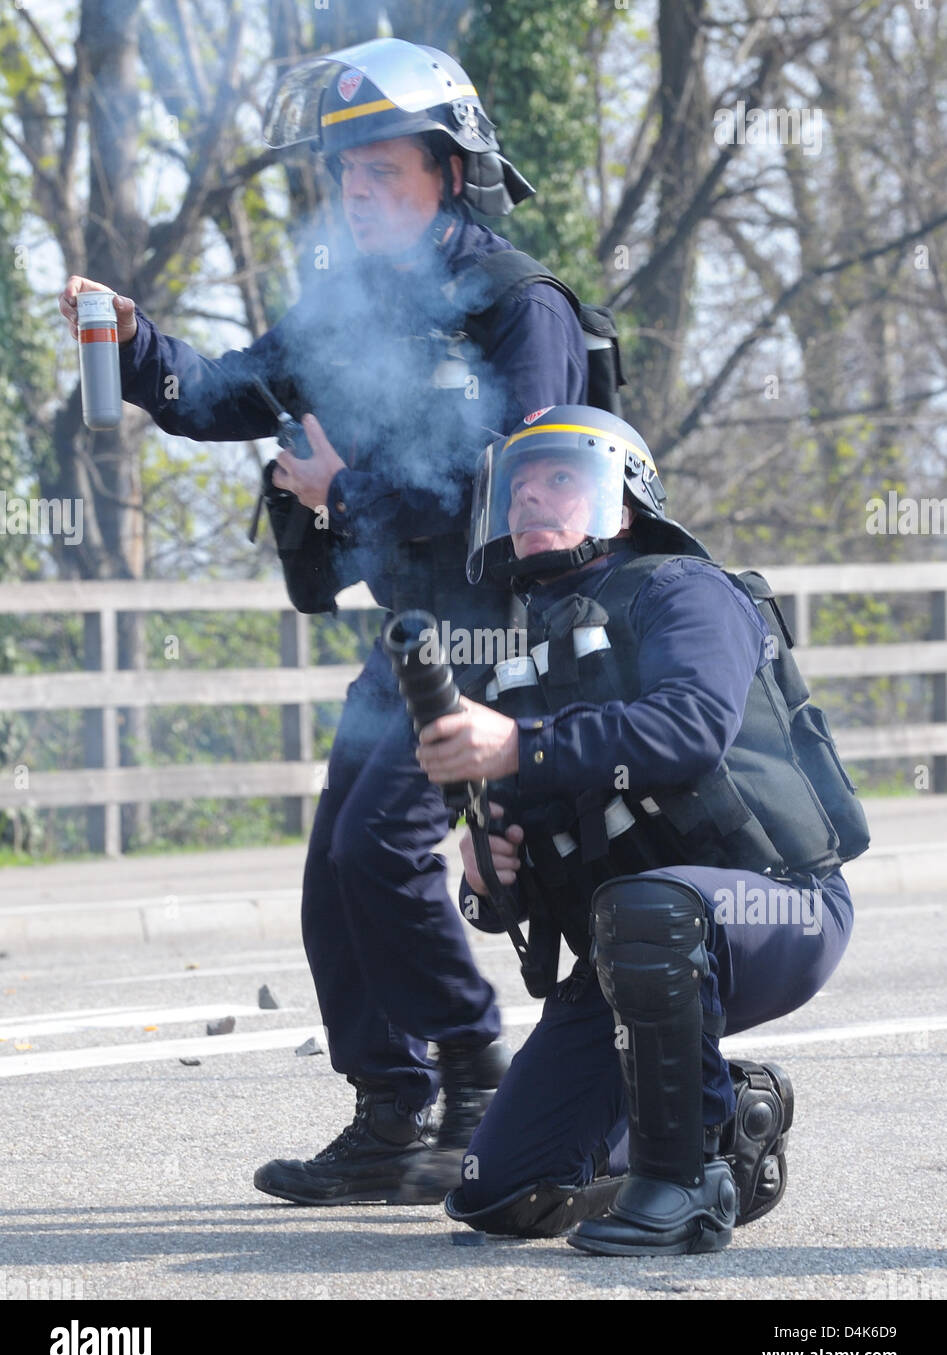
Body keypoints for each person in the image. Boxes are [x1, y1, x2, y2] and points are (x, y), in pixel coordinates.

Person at [58, 38, 588, 1205]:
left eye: (383, 176)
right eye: (344, 180)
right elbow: (219, 393)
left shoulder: (518, 307)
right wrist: (135, 341)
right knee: (330, 871)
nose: (356, 200)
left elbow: (532, 493)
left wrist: (338, 491)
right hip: (407, 639)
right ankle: (392, 1114)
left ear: (449, 174)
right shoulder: (346, 311)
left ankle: (478, 1082)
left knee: (379, 849)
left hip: (503, 635)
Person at [415, 404, 868, 1252]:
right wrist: (484, 873)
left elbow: (687, 728)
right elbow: (521, 867)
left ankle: (686, 1182)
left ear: (624, 502)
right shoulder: (517, 653)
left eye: (559, 479)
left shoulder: (683, 590)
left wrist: (517, 744)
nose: (531, 500)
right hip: (637, 951)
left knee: (647, 907)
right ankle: (729, 1113)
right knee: (496, 1195)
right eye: (516, 487)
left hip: (776, 908)